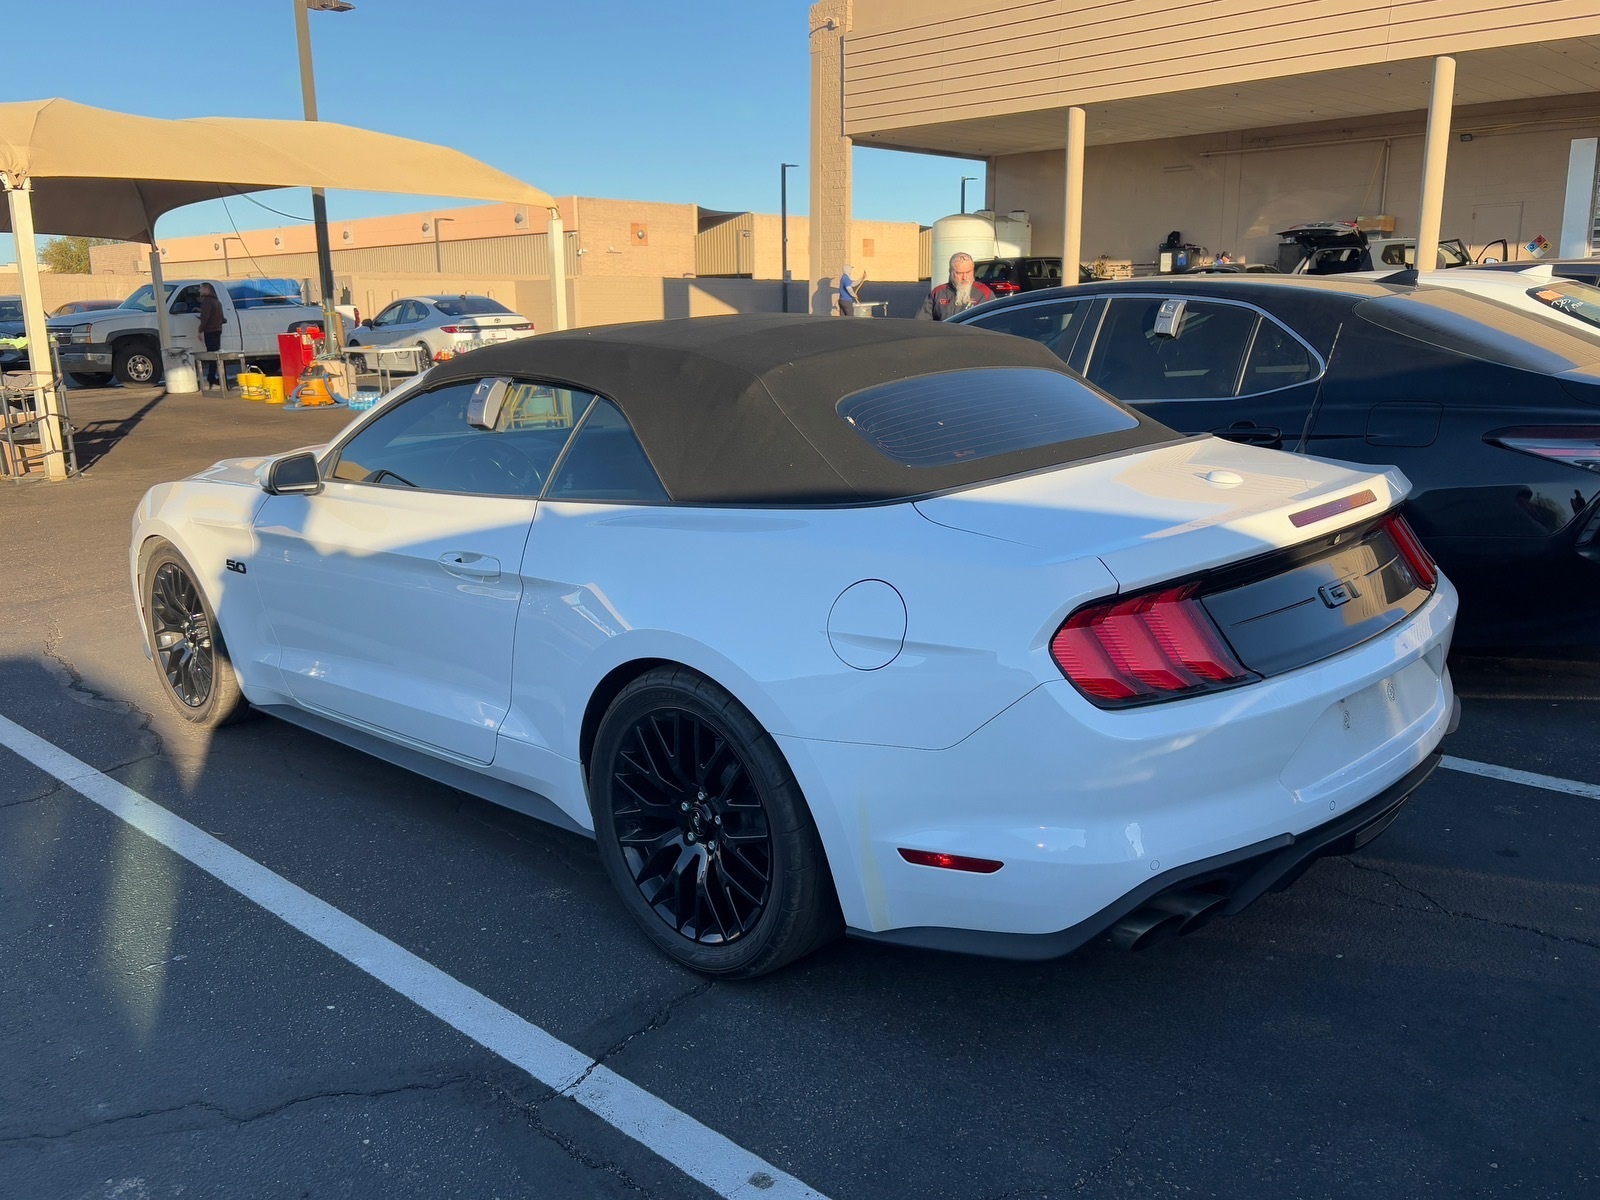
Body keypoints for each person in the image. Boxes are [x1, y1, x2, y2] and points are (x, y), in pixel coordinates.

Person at [917, 252, 994, 320]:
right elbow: (922, 322)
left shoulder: (985, 294)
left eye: (968, 272)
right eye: (959, 273)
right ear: (950, 272)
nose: (964, 277)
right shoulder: (938, 293)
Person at [197, 282, 226, 388]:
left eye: (201, 288)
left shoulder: (207, 302)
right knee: (216, 354)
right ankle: (216, 377)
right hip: (217, 330)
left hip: (210, 331)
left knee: (212, 355)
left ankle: (211, 378)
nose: (199, 291)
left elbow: (205, 318)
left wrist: (200, 330)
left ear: (206, 289)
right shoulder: (216, 301)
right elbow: (222, 319)